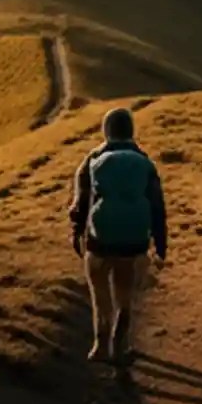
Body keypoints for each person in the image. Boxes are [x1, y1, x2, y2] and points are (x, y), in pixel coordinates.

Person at [68, 108, 167, 366]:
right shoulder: (144, 162)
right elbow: (157, 206)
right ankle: (119, 345)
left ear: (106, 131)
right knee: (124, 296)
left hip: (98, 242)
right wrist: (160, 244)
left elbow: (79, 205)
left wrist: (77, 233)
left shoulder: (92, 160)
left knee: (100, 296)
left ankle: (99, 345)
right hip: (133, 243)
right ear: (131, 131)